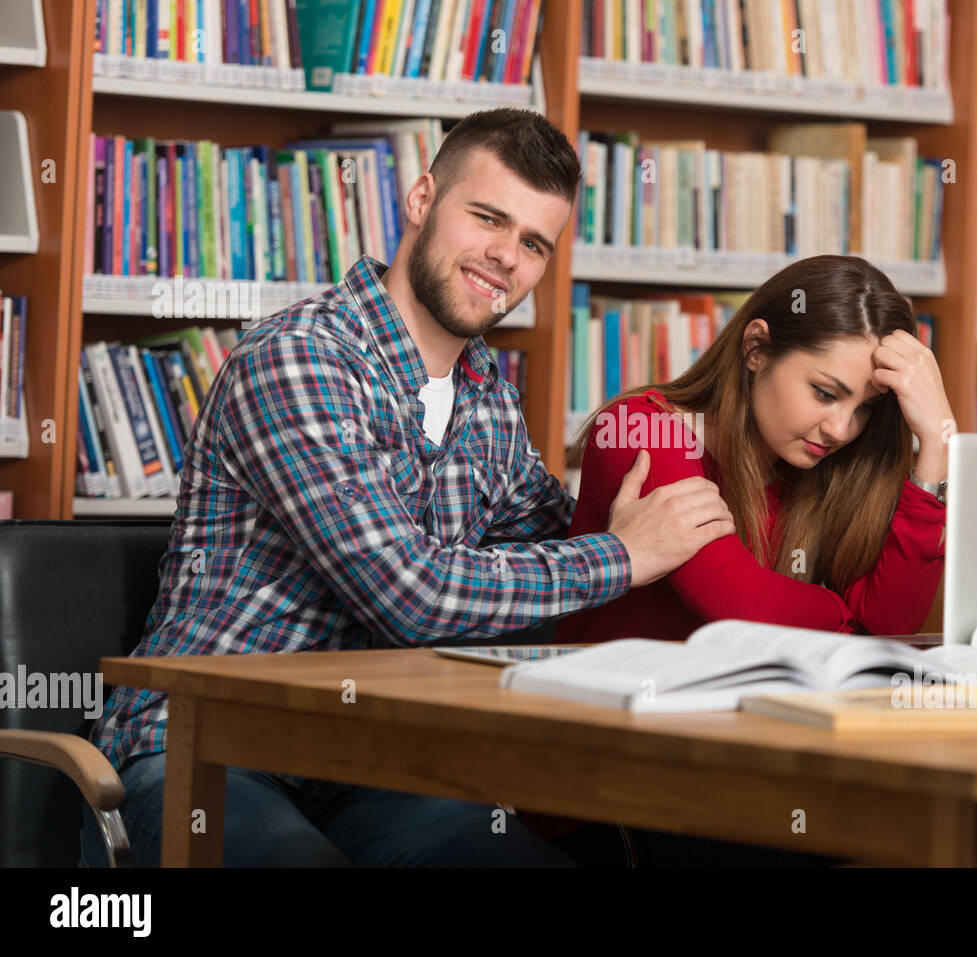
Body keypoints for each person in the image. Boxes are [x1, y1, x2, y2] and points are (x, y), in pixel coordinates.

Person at [81, 108, 735, 868]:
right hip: (208, 747)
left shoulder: (486, 392)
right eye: (487, 217)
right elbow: (409, 591)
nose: (504, 257)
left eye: (533, 243)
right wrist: (621, 553)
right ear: (421, 199)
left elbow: (555, 548)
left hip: (370, 767)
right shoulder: (300, 358)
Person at [559, 254, 951, 645]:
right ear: (756, 348)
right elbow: (745, 605)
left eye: (866, 408)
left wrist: (938, 443)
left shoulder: (825, 465)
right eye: (825, 393)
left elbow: (894, 620)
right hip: (615, 700)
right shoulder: (639, 427)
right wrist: (856, 623)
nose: (841, 430)